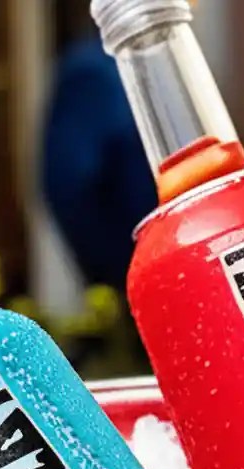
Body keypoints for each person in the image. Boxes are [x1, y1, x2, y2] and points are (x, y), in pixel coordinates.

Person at [41, 34, 158, 291]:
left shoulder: (160, 61)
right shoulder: (93, 71)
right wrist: (118, 274)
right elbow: (70, 183)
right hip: (139, 271)